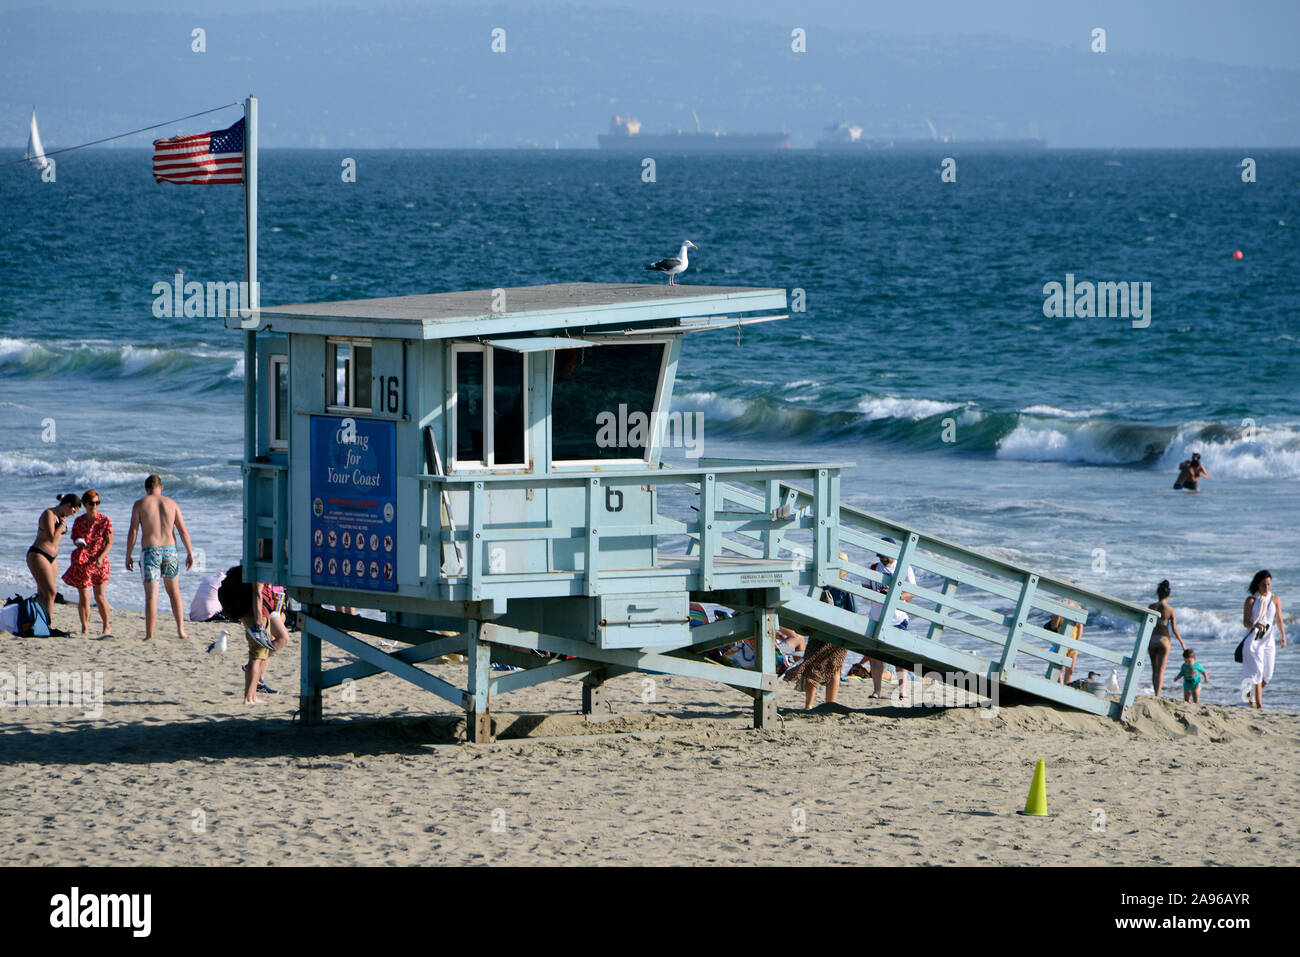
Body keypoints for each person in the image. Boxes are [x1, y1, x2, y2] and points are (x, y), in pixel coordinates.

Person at [124, 474, 195, 640]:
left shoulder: (140, 504)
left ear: (146, 489)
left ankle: (149, 634)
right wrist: (190, 552)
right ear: (161, 488)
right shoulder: (172, 504)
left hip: (151, 551)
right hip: (170, 550)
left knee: (151, 596)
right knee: (174, 592)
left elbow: (133, 531)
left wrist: (128, 554)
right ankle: (181, 630)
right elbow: (183, 531)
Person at [783, 553, 856, 709]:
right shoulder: (846, 585)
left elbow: (809, 607)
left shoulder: (819, 584)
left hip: (820, 631)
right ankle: (830, 704)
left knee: (812, 666)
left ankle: (809, 705)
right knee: (834, 668)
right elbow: (853, 612)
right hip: (839, 631)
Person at [866, 538, 916, 700]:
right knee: (875, 655)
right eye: (880, 556)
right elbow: (865, 587)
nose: (882, 559)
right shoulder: (873, 567)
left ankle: (902, 691)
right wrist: (877, 594)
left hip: (897, 617)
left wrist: (894, 595)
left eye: (885, 556)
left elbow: (912, 592)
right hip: (876, 615)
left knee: (898, 656)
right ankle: (877, 690)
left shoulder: (904, 568)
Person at [61, 490, 114, 637]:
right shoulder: (79, 521)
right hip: (83, 561)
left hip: (100, 561)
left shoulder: (105, 520)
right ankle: (84, 628)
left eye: (97, 503)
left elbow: (109, 543)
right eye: (91, 503)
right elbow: (75, 538)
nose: (94, 506)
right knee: (84, 596)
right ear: (84, 504)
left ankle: (106, 626)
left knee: (100, 596)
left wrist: (101, 557)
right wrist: (78, 542)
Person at [26, 493, 82, 629]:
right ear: (68, 505)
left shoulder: (62, 516)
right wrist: (61, 526)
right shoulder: (49, 514)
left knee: (43, 593)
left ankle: (40, 623)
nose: (73, 514)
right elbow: (51, 537)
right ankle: (47, 625)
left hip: (52, 558)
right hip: (39, 554)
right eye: (74, 510)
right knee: (51, 592)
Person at [1241, 570, 1286, 709]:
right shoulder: (1251, 600)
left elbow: (1279, 619)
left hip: (1268, 640)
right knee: (1257, 672)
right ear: (1257, 585)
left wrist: (1283, 635)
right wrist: (1254, 624)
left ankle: (1249, 694)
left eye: (1268, 584)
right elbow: (1245, 622)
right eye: (1263, 585)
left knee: (1267, 675)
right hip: (1253, 641)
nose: (1266, 588)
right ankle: (1257, 704)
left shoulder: (1275, 599)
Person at [243, 579, 291, 704]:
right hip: (263, 610)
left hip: (273, 605)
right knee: (262, 651)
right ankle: (249, 695)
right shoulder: (261, 568)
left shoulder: (275, 570)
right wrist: (259, 618)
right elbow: (257, 592)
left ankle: (257, 687)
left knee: (269, 643)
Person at [1146, 579, 1186, 697]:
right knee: (1161, 670)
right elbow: (1174, 630)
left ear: (1158, 593)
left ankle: (1155, 693)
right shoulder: (1170, 610)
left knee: (1154, 670)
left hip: (1152, 640)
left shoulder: (1151, 606)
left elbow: (1147, 625)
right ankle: (1158, 695)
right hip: (1164, 640)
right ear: (1168, 594)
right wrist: (1182, 644)